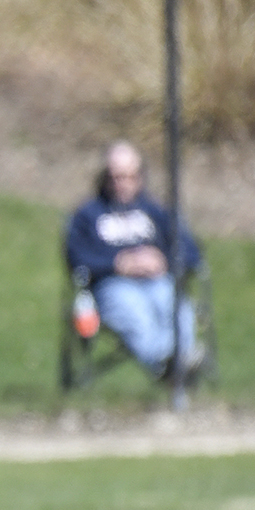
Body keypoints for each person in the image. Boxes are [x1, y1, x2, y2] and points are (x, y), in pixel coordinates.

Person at [65, 140, 202, 377]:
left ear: (140, 177)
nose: (122, 184)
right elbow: (77, 258)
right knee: (134, 310)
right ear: (104, 178)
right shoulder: (88, 214)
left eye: (130, 176)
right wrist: (118, 264)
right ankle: (165, 365)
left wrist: (163, 261)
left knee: (174, 303)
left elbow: (191, 253)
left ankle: (179, 361)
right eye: (116, 177)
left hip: (159, 281)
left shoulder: (157, 212)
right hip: (111, 285)